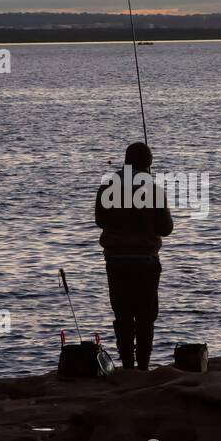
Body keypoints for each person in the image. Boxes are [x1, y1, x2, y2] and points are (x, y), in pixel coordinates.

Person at [96, 141, 173, 370]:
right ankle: (143, 368)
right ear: (148, 164)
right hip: (145, 261)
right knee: (145, 315)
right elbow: (166, 228)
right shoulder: (153, 188)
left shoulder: (109, 185)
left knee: (123, 314)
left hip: (116, 261)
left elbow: (100, 221)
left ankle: (127, 366)